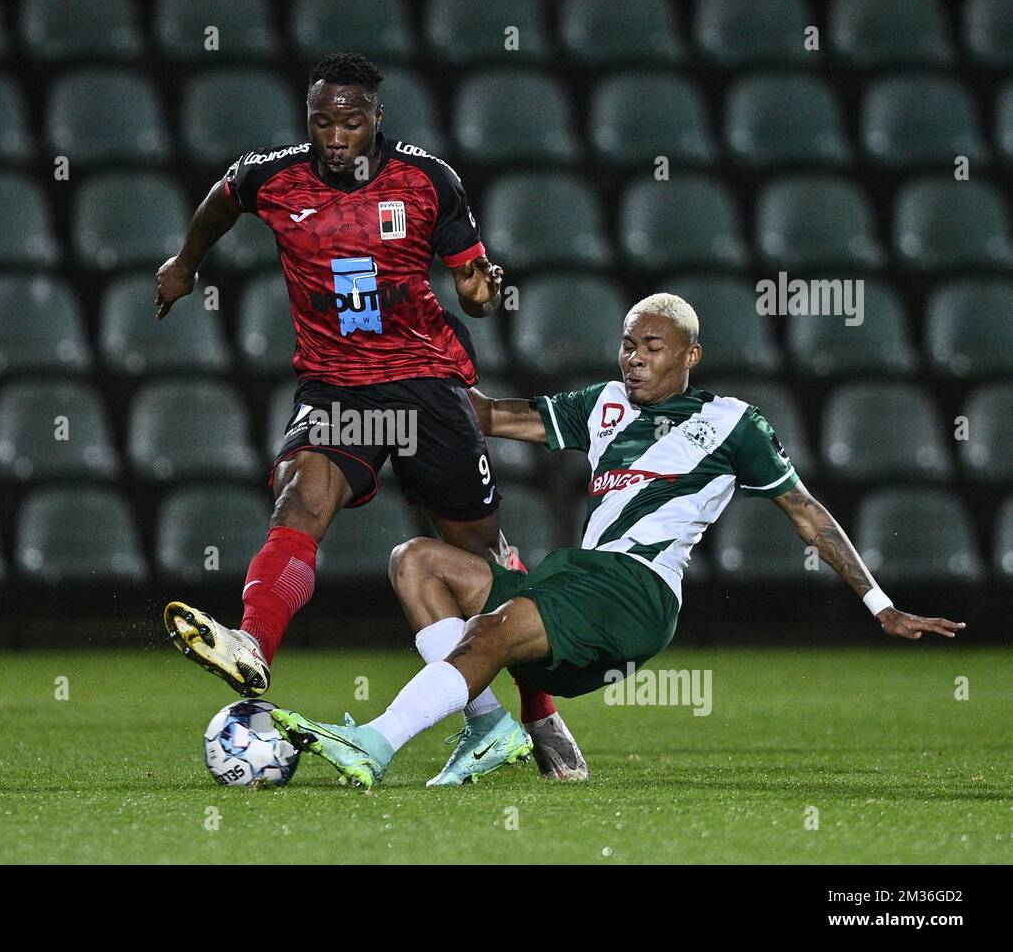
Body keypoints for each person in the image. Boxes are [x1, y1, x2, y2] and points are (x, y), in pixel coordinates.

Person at [269, 293, 966, 788]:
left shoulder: (733, 422)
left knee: (488, 631)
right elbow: (490, 416)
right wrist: (417, 363)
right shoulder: (603, 403)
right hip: (580, 583)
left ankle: (374, 745)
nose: (635, 359)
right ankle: (488, 730)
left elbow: (807, 514)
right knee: (416, 562)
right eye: (628, 345)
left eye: (652, 348)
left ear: (690, 355)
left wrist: (879, 605)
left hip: (636, 591)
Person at [155, 52, 586, 779]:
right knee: (300, 495)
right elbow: (221, 201)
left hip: (426, 386)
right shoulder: (272, 176)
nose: (335, 136)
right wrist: (186, 261)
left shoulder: (427, 181)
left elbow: (474, 287)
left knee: (481, 562)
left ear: (377, 118)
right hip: (337, 389)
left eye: (350, 121)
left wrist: (483, 294)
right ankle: (254, 644)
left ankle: (539, 715)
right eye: (321, 121)